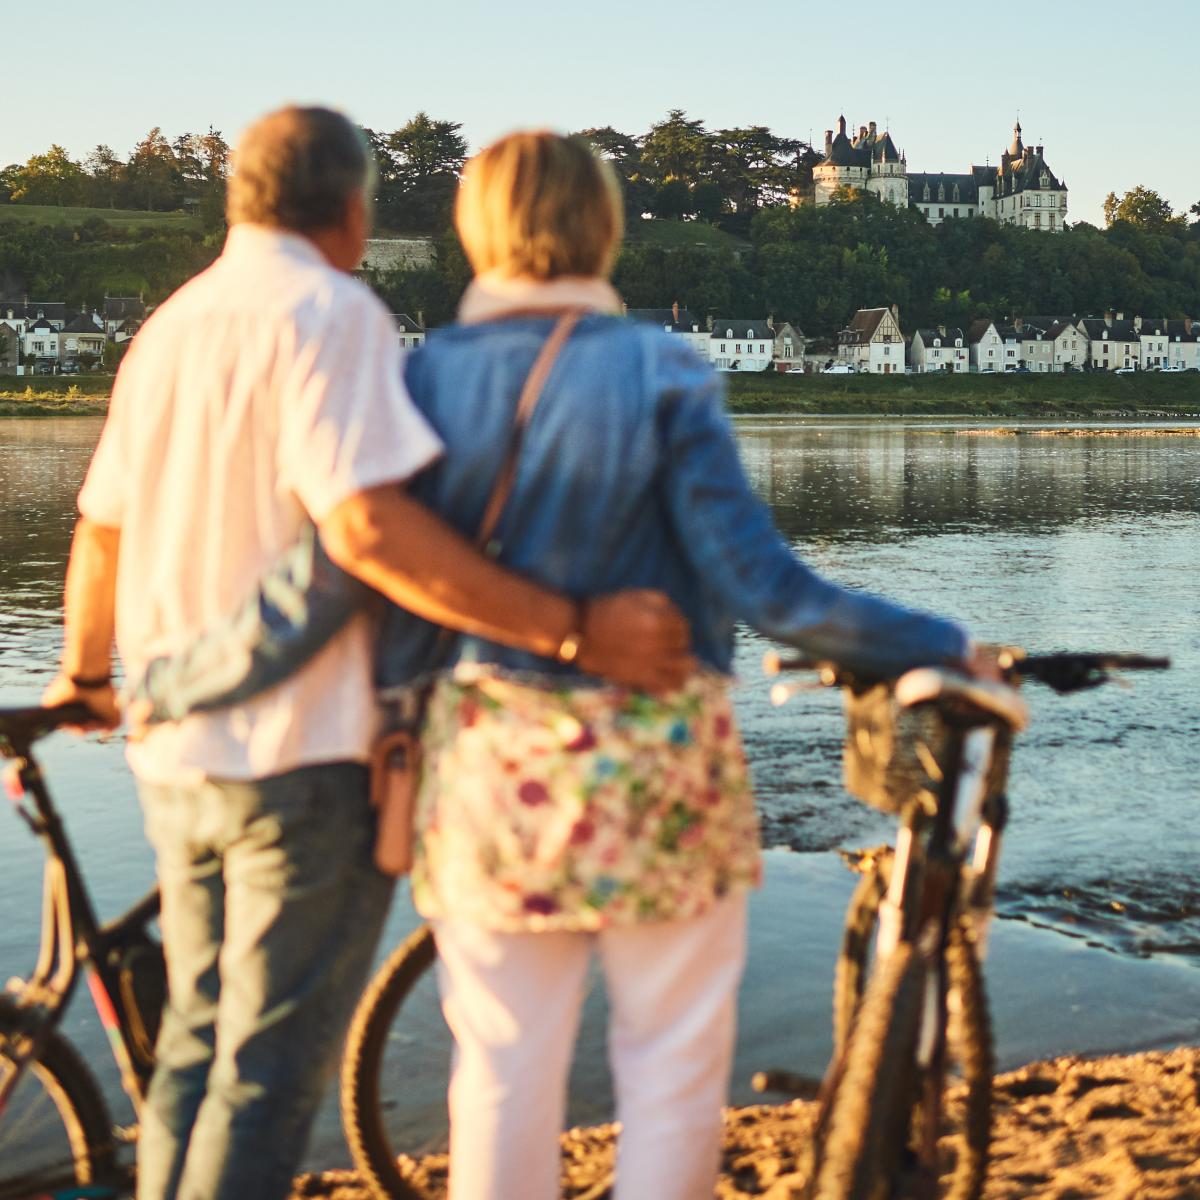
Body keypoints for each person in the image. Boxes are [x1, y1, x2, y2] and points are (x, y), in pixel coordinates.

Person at [131, 131, 995, 1200]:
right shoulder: (665, 368)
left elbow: (356, 578)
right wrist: (941, 643)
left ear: (473, 229)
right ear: (606, 225)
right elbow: (766, 588)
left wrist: (185, 683)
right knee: (672, 1064)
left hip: (493, 764)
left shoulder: (424, 374)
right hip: (659, 760)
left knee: (497, 1067)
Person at [41, 108, 693, 1200]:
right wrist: (573, 630)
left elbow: (101, 530)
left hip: (172, 752)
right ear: (353, 212)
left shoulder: (169, 327)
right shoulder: (330, 314)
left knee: (193, 1055)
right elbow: (370, 532)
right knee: (267, 1079)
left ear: (239, 200)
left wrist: (87, 675)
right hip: (299, 755)